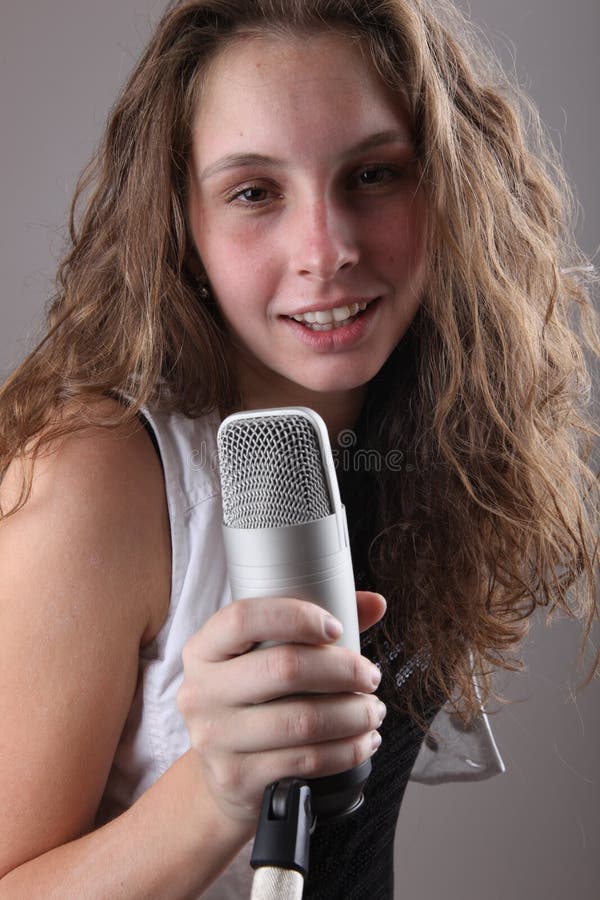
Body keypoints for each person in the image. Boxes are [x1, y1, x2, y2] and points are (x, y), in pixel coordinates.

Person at [0, 0, 597, 897]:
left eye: (374, 175)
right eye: (253, 191)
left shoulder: (417, 430)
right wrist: (211, 792)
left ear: (448, 188)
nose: (327, 250)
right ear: (181, 224)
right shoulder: (100, 479)